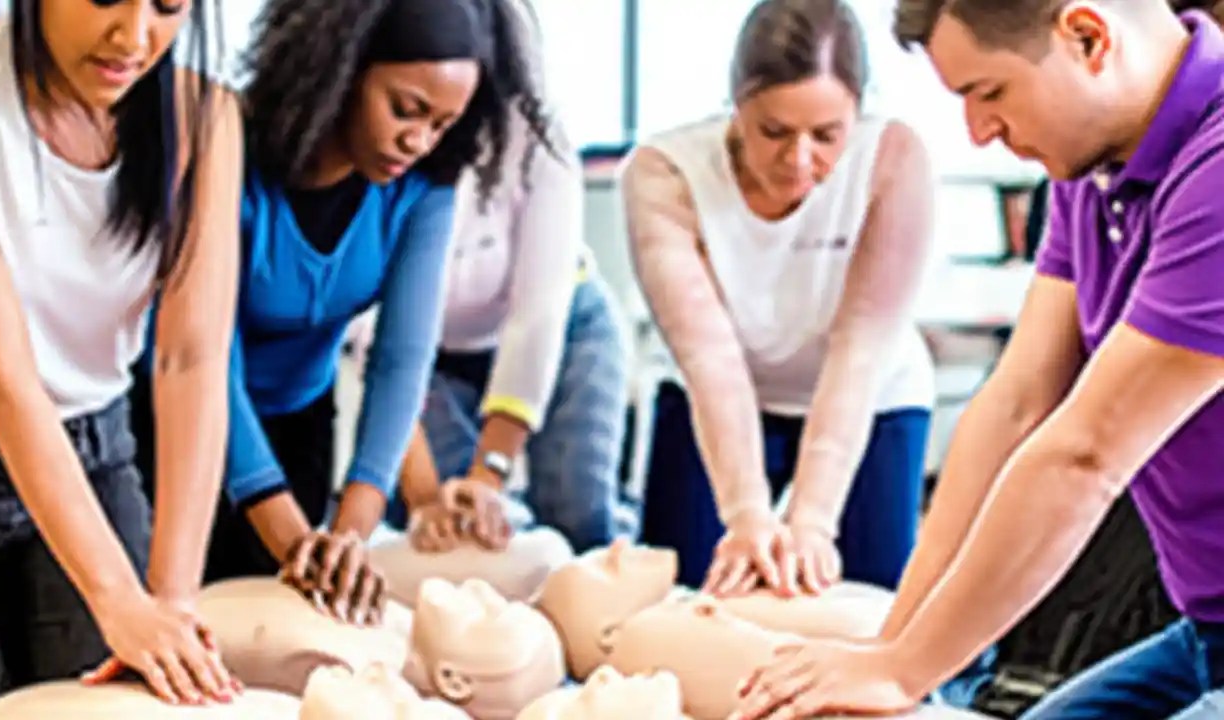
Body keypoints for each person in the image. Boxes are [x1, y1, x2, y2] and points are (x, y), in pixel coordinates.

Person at [730, 3, 1224, 719]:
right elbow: (1017, 403)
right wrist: (889, 656)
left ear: (1087, 37)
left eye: (987, 94)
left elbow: (1085, 453)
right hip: (1207, 629)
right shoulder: (1089, 173)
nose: (979, 132)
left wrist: (903, 669)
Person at [131, 0, 553, 628]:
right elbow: (205, 355)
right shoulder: (227, 148)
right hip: (177, 420)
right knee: (177, 627)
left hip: (302, 421)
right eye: (406, 109)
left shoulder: (424, 184)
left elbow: (402, 356)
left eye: (442, 124)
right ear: (340, 71)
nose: (419, 140)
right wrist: (292, 536)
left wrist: (349, 534)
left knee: (280, 631)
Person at [0, 0, 243, 716]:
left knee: (143, 699)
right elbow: (0, 371)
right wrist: (115, 597)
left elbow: (191, 360)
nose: (134, 37)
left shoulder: (205, 118)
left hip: (98, 455)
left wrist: (167, 603)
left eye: (169, 7)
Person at [622, 0, 936, 597]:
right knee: (687, 598)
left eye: (825, 136)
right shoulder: (664, 174)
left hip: (870, 395)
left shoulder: (894, 160)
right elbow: (710, 357)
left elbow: (861, 346)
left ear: (858, 112)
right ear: (737, 109)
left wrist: (811, 520)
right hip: (712, 397)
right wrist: (747, 514)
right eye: (773, 132)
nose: (798, 161)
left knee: (863, 602)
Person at [383, 1, 628, 556]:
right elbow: (378, 346)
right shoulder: (379, 142)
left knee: (575, 510)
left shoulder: (537, 135)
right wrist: (424, 497)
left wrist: (490, 474)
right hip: (432, 357)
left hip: (565, 326)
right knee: (440, 528)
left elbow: (535, 319)